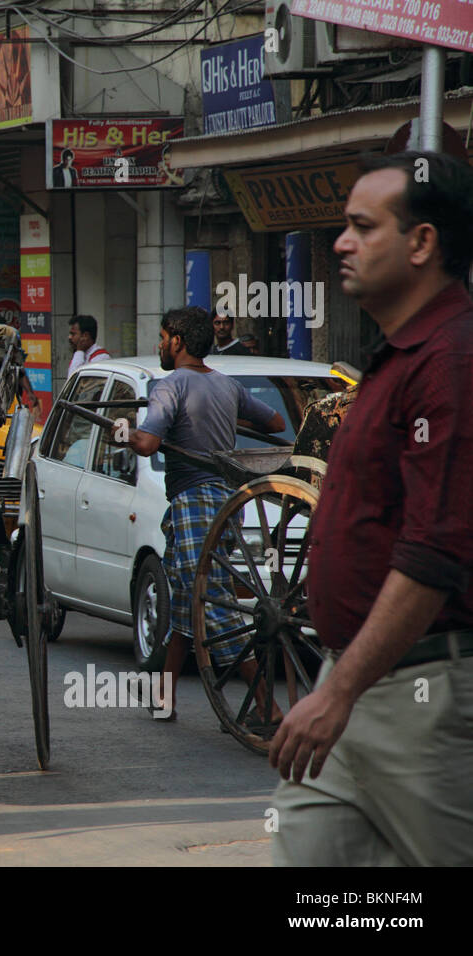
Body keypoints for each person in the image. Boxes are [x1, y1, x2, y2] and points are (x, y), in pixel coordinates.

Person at [269, 150, 473, 866]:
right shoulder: (397, 356)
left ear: (422, 244)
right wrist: (338, 687)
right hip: (350, 687)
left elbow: (434, 550)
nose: (340, 244)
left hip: (420, 696)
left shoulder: (451, 359)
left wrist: (342, 690)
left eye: (362, 226)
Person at [116, 306, 284, 717]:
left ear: (177, 341)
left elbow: (149, 443)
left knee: (210, 601)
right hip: (227, 505)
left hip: (192, 503)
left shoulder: (169, 385)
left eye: (162, 338)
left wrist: (123, 433)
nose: (159, 345)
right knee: (184, 600)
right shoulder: (227, 385)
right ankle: (165, 697)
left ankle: (265, 702)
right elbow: (277, 422)